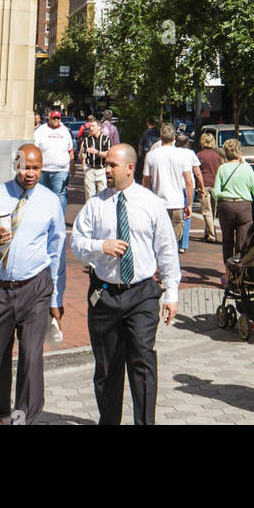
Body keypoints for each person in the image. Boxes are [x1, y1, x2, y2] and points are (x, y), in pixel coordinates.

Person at [71, 142, 180, 425]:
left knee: (142, 360)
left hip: (141, 294)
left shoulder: (152, 204)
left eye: (112, 165)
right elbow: (77, 244)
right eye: (106, 165)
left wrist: (172, 292)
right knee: (107, 368)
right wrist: (100, 245)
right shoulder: (95, 205)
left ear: (130, 168)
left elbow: (166, 248)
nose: (106, 170)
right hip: (105, 296)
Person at [0, 143, 66, 425]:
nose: (30, 174)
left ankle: (23, 419)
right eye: (25, 167)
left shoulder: (50, 201)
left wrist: (56, 297)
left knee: (31, 360)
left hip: (35, 289)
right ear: (15, 165)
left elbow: (56, 251)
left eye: (36, 168)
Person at [143, 122, 194, 242]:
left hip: (158, 203)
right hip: (177, 202)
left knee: (159, 238)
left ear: (160, 138)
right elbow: (189, 182)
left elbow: (145, 182)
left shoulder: (151, 156)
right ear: (174, 138)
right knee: (174, 239)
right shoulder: (182, 155)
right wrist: (189, 204)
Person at [212, 138, 254, 267]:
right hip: (243, 206)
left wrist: (224, 196)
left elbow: (216, 191)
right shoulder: (247, 169)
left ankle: (227, 272)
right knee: (242, 242)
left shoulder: (222, 169)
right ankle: (239, 269)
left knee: (227, 241)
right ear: (239, 152)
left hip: (225, 205)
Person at [34, 108, 74, 208]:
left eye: (58, 118)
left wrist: (72, 166)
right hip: (43, 170)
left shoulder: (65, 131)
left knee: (60, 195)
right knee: (42, 196)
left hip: (61, 170)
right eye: (54, 118)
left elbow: (70, 150)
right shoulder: (41, 130)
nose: (56, 120)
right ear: (49, 118)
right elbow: (35, 148)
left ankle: (59, 221)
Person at [174, 134, 205, 251]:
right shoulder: (190, 154)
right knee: (187, 215)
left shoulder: (172, 153)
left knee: (174, 214)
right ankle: (183, 245)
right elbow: (197, 171)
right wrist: (201, 186)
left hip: (175, 185)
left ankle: (174, 242)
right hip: (188, 186)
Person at [196, 132, 222, 242]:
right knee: (213, 211)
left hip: (204, 184)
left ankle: (211, 234)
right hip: (215, 185)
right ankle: (208, 232)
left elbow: (197, 172)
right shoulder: (218, 156)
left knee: (207, 212)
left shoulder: (200, 155)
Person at [80, 115, 111, 199]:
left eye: (93, 126)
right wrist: (82, 159)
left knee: (103, 196)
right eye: (90, 126)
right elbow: (82, 156)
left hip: (102, 170)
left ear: (99, 127)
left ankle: (102, 212)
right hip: (90, 170)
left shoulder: (106, 139)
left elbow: (109, 154)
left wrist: (97, 152)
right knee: (90, 197)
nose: (91, 128)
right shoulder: (87, 140)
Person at [136, 116, 160, 182]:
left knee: (146, 170)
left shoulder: (146, 133)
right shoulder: (158, 132)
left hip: (147, 153)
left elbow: (141, 144)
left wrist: (139, 153)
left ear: (147, 123)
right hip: (157, 152)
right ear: (154, 123)